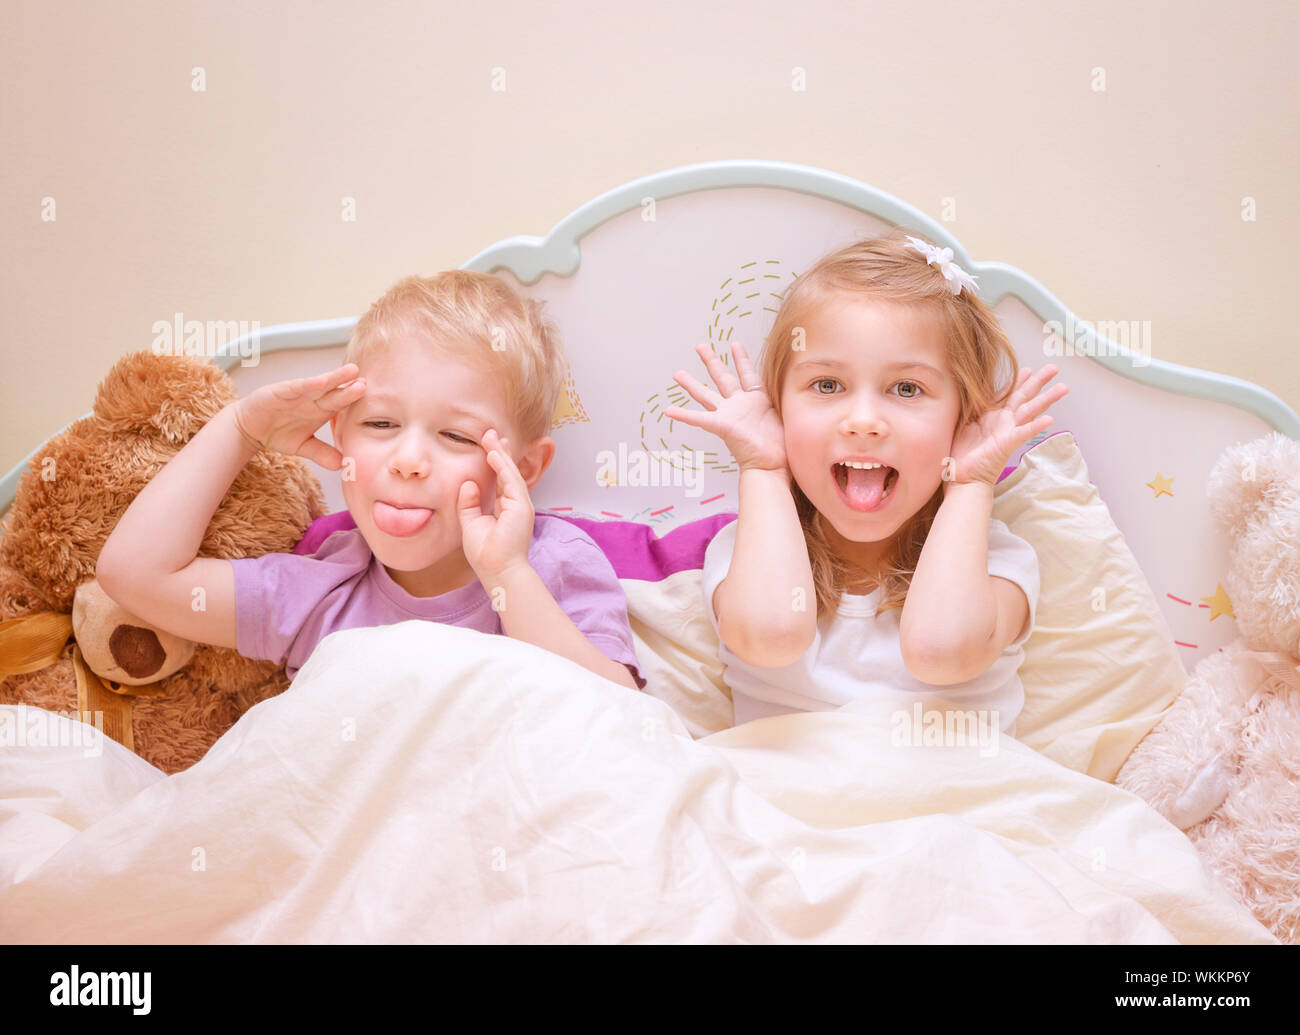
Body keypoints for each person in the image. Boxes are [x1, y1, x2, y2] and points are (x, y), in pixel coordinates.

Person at [97, 270, 645, 691]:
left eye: (456, 437)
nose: (408, 460)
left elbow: (614, 717)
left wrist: (506, 574)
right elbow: (133, 574)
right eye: (380, 424)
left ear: (521, 470)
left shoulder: (552, 564)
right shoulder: (320, 594)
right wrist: (241, 428)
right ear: (340, 435)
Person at [666, 230, 1068, 731]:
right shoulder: (746, 549)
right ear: (778, 407)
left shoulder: (996, 561)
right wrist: (764, 469)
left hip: (953, 801)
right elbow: (769, 638)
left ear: (962, 419)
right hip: (781, 799)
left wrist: (969, 485)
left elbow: (940, 654)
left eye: (906, 388)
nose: (863, 421)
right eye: (827, 385)